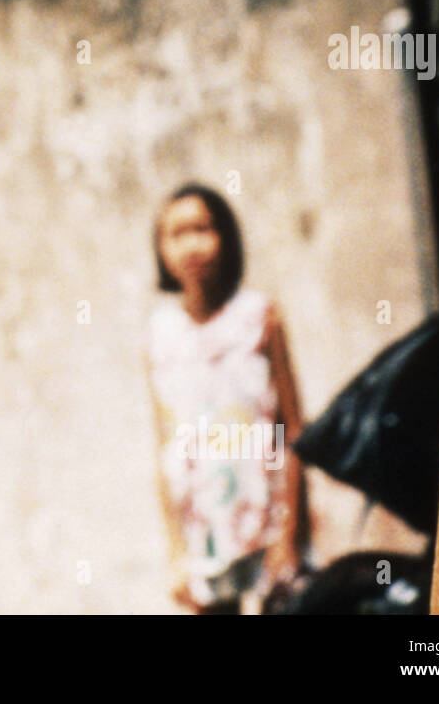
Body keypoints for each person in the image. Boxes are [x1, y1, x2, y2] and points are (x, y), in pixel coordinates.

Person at [145, 183, 310, 614]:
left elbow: (294, 429)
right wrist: (177, 553)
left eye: (201, 229)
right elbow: (165, 447)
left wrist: (289, 533)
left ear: (226, 237)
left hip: (265, 522)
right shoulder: (161, 335)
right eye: (175, 235)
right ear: (161, 248)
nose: (190, 246)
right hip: (205, 533)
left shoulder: (258, 317)